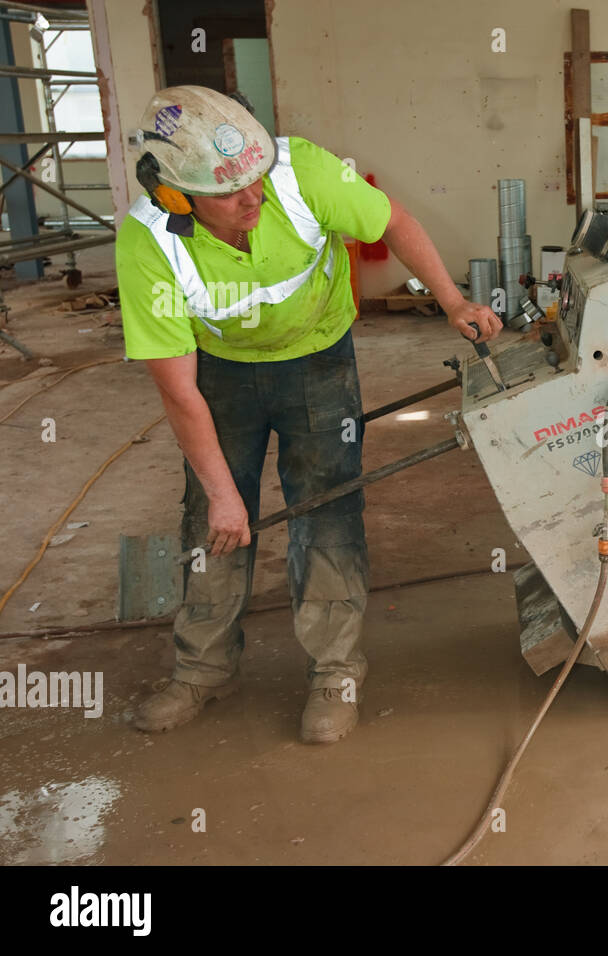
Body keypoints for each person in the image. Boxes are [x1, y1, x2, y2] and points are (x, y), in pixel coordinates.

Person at [116, 86, 500, 743]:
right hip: (220, 376)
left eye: (256, 176)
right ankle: (202, 669)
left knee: (327, 509)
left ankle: (334, 671)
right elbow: (180, 392)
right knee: (213, 521)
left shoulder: (303, 174)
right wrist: (221, 495)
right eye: (229, 189)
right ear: (178, 197)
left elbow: (393, 223)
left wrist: (451, 300)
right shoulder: (148, 243)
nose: (253, 196)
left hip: (319, 363)